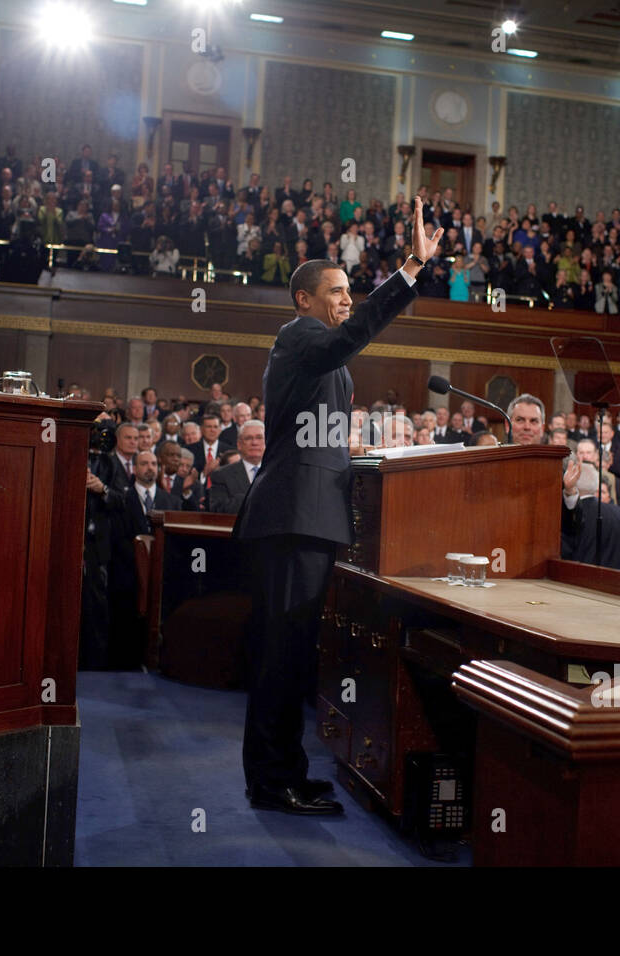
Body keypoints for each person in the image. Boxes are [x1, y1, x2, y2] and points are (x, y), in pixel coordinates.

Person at [233, 196, 440, 815]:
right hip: (294, 517)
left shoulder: (317, 349)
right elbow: (349, 339)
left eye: (352, 290)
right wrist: (406, 273)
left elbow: (311, 427)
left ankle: (285, 772)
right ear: (305, 299)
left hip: (308, 517)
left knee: (293, 656)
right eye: (339, 289)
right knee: (282, 656)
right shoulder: (303, 337)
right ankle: (272, 784)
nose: (348, 298)